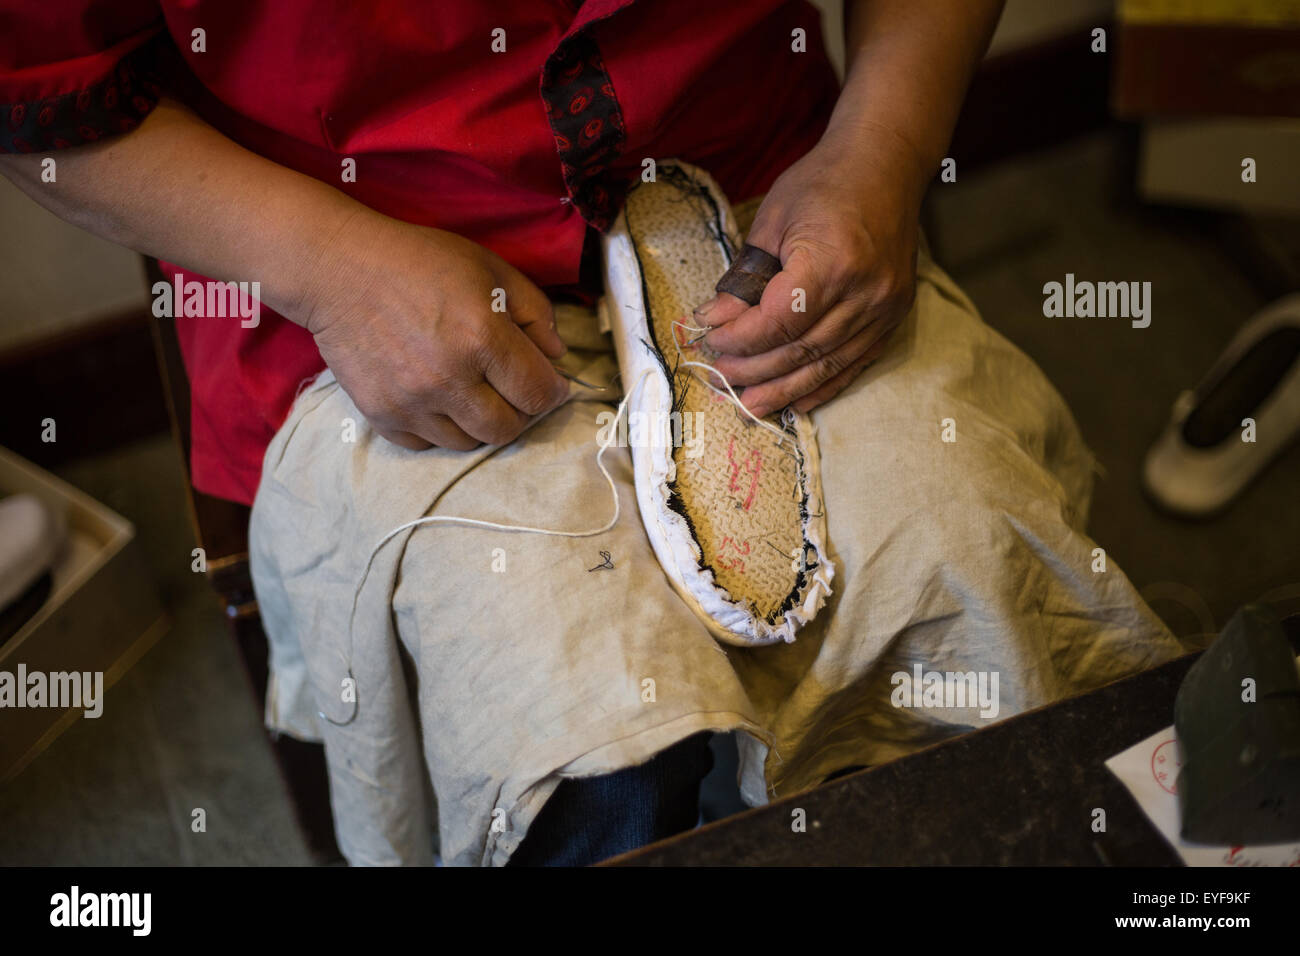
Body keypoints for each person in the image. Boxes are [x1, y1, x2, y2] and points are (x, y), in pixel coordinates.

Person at [0, 0, 1184, 866]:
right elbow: (43, 85)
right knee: (593, 764)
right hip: (349, 261)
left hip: (754, 193)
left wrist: (879, 150)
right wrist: (326, 268)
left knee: (968, 567)